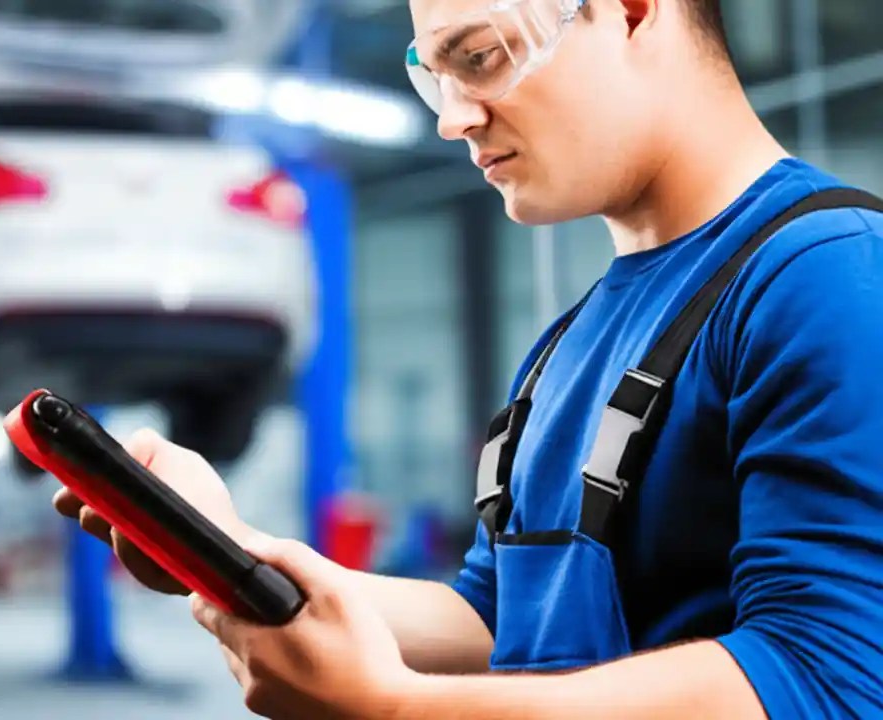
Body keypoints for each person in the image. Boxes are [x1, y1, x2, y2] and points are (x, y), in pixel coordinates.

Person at [53, 0, 883, 717]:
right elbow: (498, 620)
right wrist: (232, 555)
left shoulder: (828, 273)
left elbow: (830, 684)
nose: (453, 118)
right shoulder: (567, 345)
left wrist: (396, 710)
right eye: (434, 77)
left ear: (632, 10)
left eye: (481, 58)